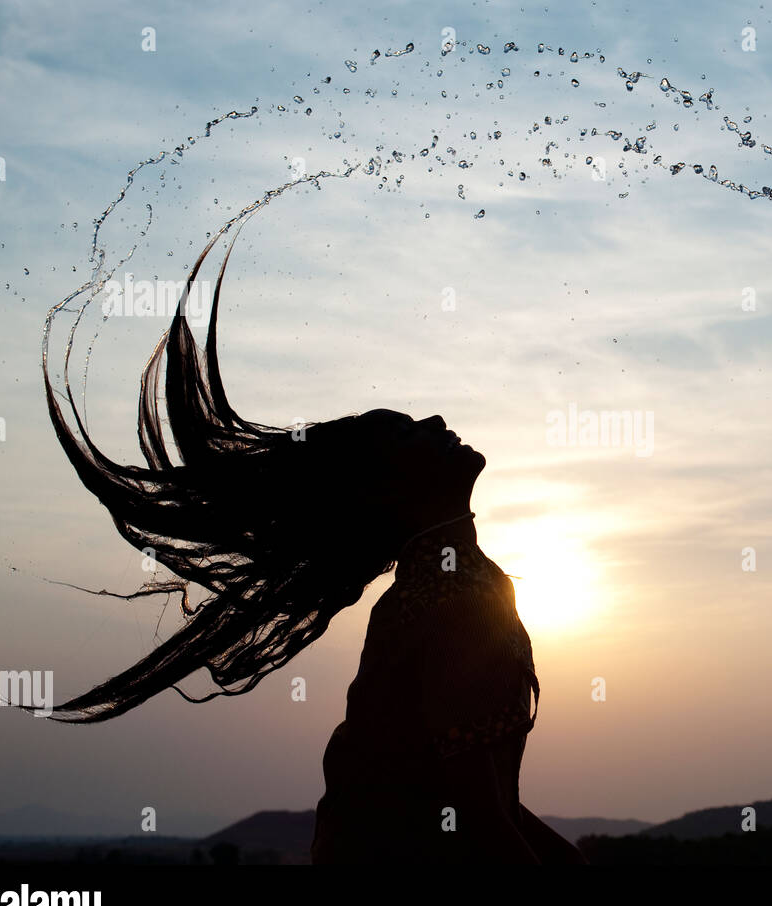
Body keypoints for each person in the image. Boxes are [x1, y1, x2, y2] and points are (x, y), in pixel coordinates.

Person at [41, 226, 584, 864]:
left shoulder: (465, 586)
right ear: (391, 492)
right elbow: (474, 815)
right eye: (408, 433)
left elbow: (480, 790)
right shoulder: (445, 600)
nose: (437, 423)